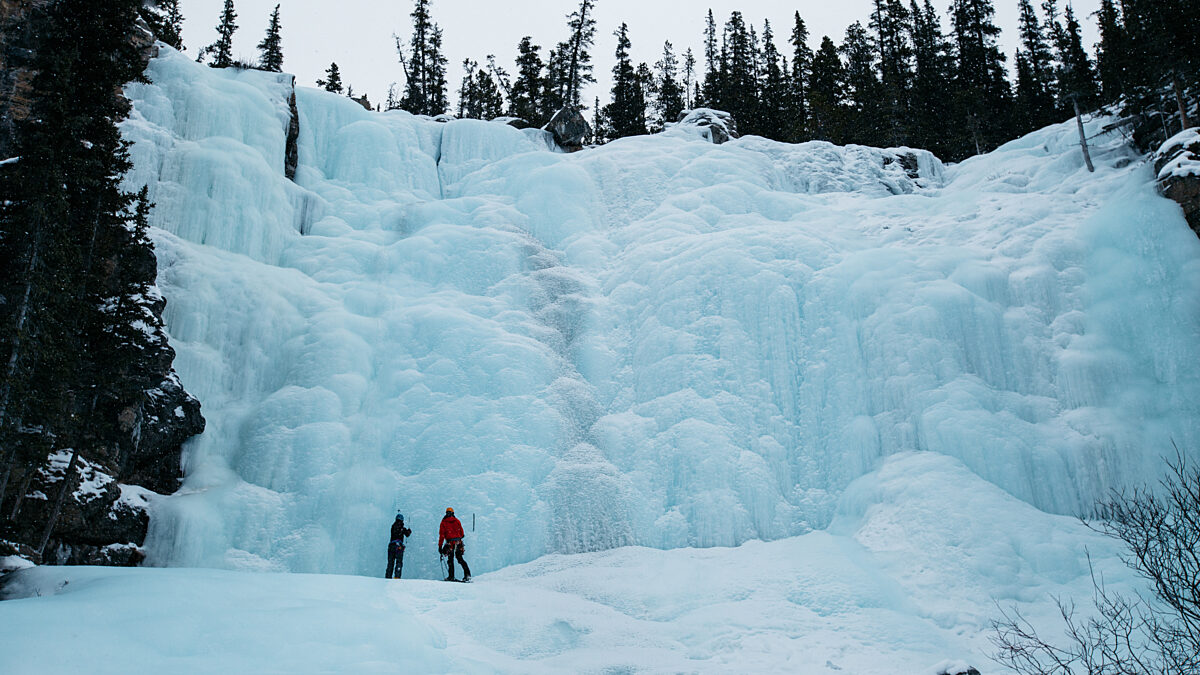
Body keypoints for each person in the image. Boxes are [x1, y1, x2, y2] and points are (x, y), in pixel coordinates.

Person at [438, 507, 470, 582]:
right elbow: (462, 533)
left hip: (450, 543)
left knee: (450, 560)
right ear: (453, 513)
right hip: (458, 542)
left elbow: (442, 535)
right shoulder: (457, 521)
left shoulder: (444, 522)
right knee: (460, 559)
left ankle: (451, 576)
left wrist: (440, 546)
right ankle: (467, 575)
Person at [386, 512, 411, 579]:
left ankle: (388, 577)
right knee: (399, 562)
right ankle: (397, 577)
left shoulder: (393, 526)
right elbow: (407, 534)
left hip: (391, 546)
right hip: (398, 546)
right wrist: (409, 531)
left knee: (390, 563)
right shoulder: (402, 527)